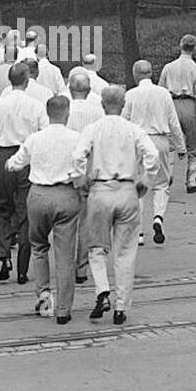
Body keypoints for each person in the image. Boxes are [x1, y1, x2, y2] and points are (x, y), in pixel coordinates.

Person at [72, 85, 159, 326]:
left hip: (100, 190)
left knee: (96, 247)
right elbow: (153, 156)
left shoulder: (93, 129)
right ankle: (121, 306)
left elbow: (78, 155)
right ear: (123, 106)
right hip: (127, 190)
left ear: (102, 104)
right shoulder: (134, 130)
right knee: (125, 252)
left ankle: (102, 289)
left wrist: (81, 180)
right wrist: (146, 180)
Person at [5, 95, 84, 324]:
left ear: (48, 114)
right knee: (65, 255)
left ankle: (44, 296)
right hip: (66, 196)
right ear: (67, 113)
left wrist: (8, 165)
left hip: (38, 195)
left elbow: (14, 163)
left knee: (38, 246)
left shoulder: (34, 138)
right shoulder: (76, 139)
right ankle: (63, 310)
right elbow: (82, 169)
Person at [0, 62, 49, 283]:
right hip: (26, 156)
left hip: (3, 155)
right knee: (25, 211)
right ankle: (23, 268)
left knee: (3, 207)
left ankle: (4, 254)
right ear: (27, 80)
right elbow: (44, 131)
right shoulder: (36, 105)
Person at [122, 60, 186, 247]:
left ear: (135, 74)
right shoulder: (163, 93)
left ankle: (139, 232)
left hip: (139, 141)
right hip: (160, 140)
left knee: (138, 186)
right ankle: (158, 217)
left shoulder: (131, 94)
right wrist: (180, 146)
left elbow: (124, 121)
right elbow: (173, 122)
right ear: (151, 74)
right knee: (161, 184)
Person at [66, 71, 106, 285]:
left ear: (70, 89)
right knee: (85, 220)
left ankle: (65, 262)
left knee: (65, 221)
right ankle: (81, 266)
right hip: (89, 171)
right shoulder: (97, 111)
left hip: (66, 170)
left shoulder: (63, 109)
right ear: (89, 90)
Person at [158, 34, 196, 193]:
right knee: (194, 146)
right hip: (190, 105)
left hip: (172, 104)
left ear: (180, 46)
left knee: (170, 144)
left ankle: (167, 176)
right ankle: (193, 182)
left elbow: (160, 88)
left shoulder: (168, 67)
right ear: (195, 48)